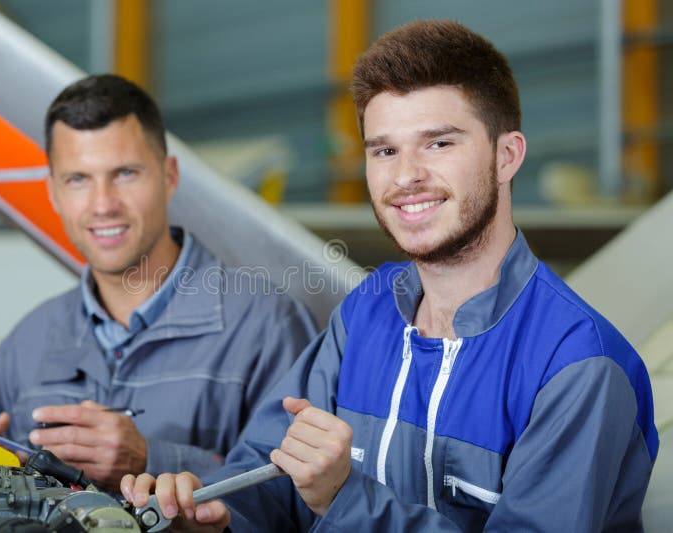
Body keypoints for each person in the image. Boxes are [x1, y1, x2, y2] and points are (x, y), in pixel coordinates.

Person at [119, 20, 658, 531]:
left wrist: (342, 497)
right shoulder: (367, 312)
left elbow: (329, 490)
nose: (406, 177)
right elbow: (268, 470)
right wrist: (213, 512)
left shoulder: (578, 366)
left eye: (439, 143)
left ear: (506, 156)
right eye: (384, 150)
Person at [0, 74, 317, 493]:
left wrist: (151, 459)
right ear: (53, 192)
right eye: (78, 179)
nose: (103, 204)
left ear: (169, 176)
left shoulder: (267, 327)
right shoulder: (22, 348)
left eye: (124, 173)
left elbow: (299, 501)